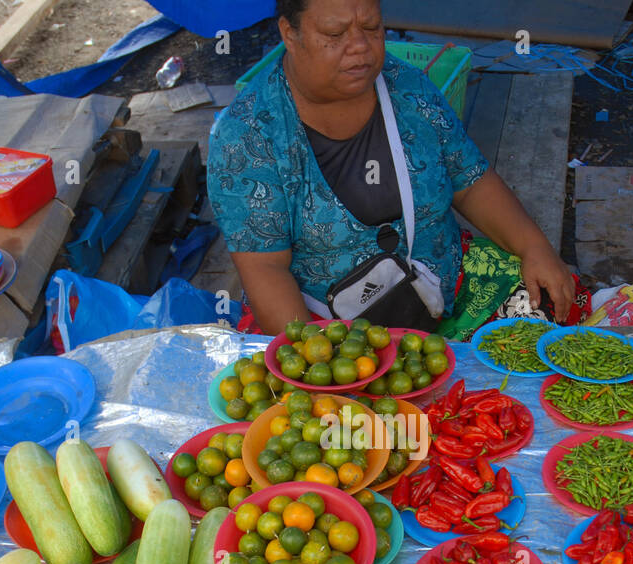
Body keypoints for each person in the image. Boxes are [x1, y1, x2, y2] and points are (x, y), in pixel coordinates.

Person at [207, 0, 578, 337]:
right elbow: (265, 268)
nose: (360, 47)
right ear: (290, 33)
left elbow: (469, 178)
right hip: (327, 325)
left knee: (557, 315)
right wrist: (320, 364)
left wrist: (534, 247)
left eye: (371, 28)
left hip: (443, 284)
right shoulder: (247, 136)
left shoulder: (407, 88)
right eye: (335, 34)